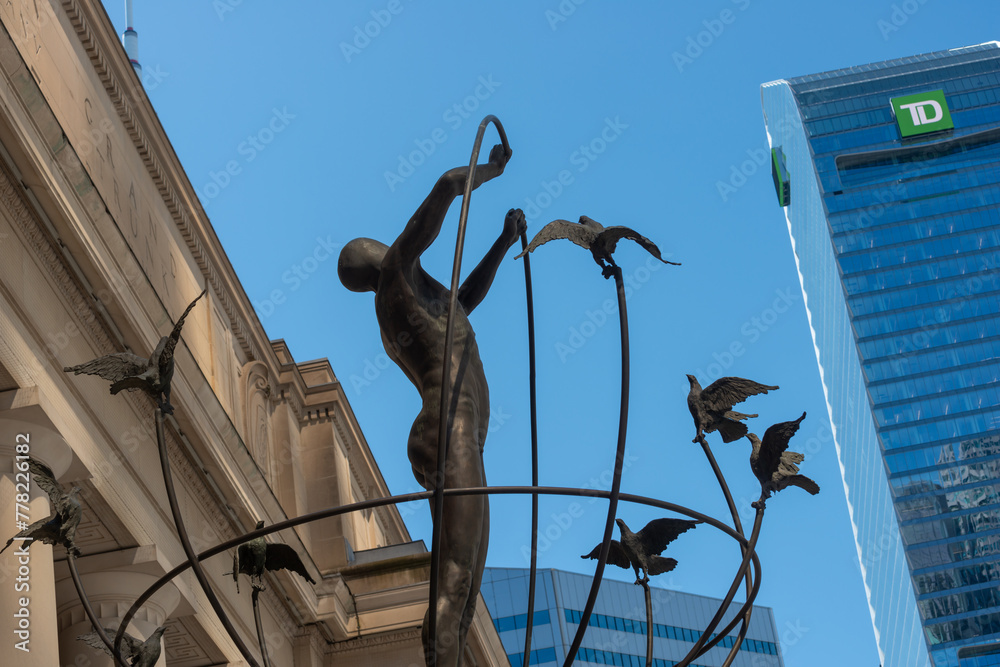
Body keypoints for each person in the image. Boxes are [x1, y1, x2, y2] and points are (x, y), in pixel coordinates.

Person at [339, 143, 523, 666]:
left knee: (466, 590)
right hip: (449, 429)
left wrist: (502, 242)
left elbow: (465, 301)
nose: (391, 242)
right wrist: (492, 169)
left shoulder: (423, 300)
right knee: (456, 578)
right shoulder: (395, 277)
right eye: (379, 243)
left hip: (462, 435)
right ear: (374, 258)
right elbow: (446, 185)